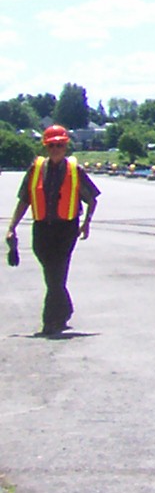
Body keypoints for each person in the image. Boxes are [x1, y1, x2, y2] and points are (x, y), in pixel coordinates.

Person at [8, 125, 100, 337]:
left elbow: (92, 199)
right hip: (41, 229)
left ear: (66, 146)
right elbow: (24, 200)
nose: (56, 149)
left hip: (66, 229)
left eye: (60, 145)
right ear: (46, 147)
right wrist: (12, 227)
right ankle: (65, 309)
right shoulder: (36, 170)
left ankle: (51, 321)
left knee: (57, 272)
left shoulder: (75, 170)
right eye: (52, 146)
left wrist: (86, 223)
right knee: (52, 275)